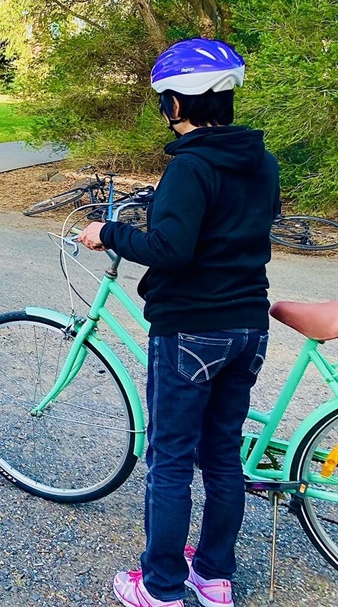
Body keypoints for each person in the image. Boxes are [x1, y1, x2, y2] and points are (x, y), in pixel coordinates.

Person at [78, 39, 280, 607]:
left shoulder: (190, 166)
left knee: (169, 460)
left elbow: (172, 249)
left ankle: (161, 587)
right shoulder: (262, 162)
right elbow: (241, 226)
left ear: (177, 103)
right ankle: (214, 577)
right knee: (221, 456)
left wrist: (109, 232)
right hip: (247, 326)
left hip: (191, 327)